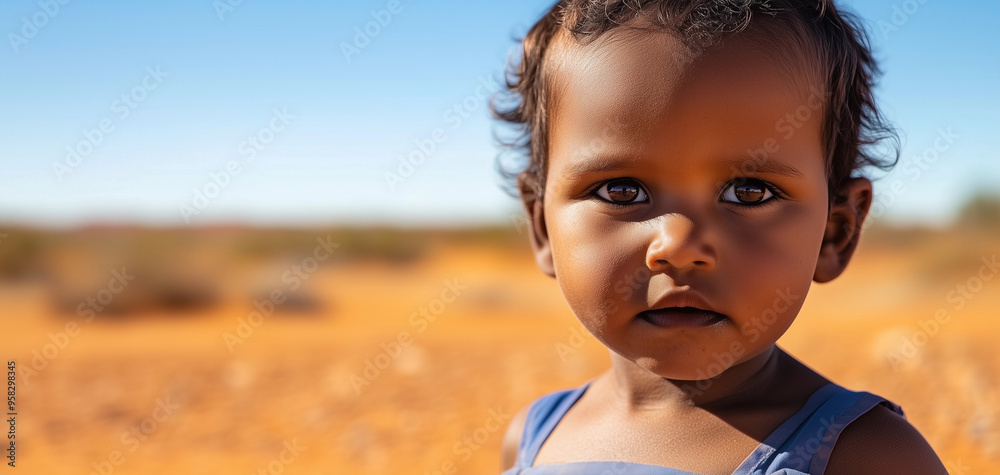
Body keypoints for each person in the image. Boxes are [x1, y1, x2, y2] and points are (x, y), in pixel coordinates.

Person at [492, 0, 946, 473]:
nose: (678, 245)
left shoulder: (868, 457)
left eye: (749, 192)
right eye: (621, 190)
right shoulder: (532, 440)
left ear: (835, 233)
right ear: (542, 224)